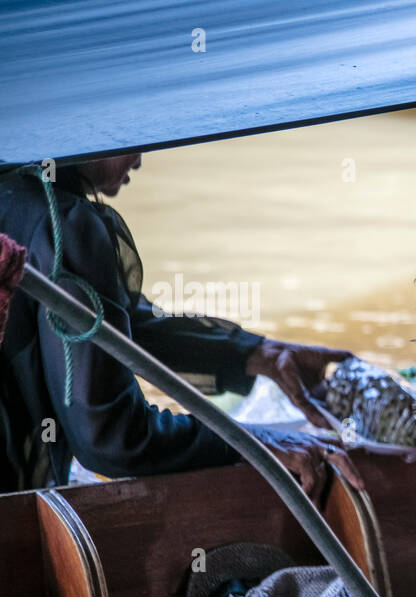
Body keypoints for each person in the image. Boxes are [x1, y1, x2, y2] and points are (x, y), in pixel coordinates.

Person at [0, 152, 358, 496]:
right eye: (135, 138)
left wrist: (258, 353)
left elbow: (110, 323)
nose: (139, 160)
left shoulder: (13, 192)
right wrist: (254, 442)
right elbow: (110, 438)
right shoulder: (63, 224)